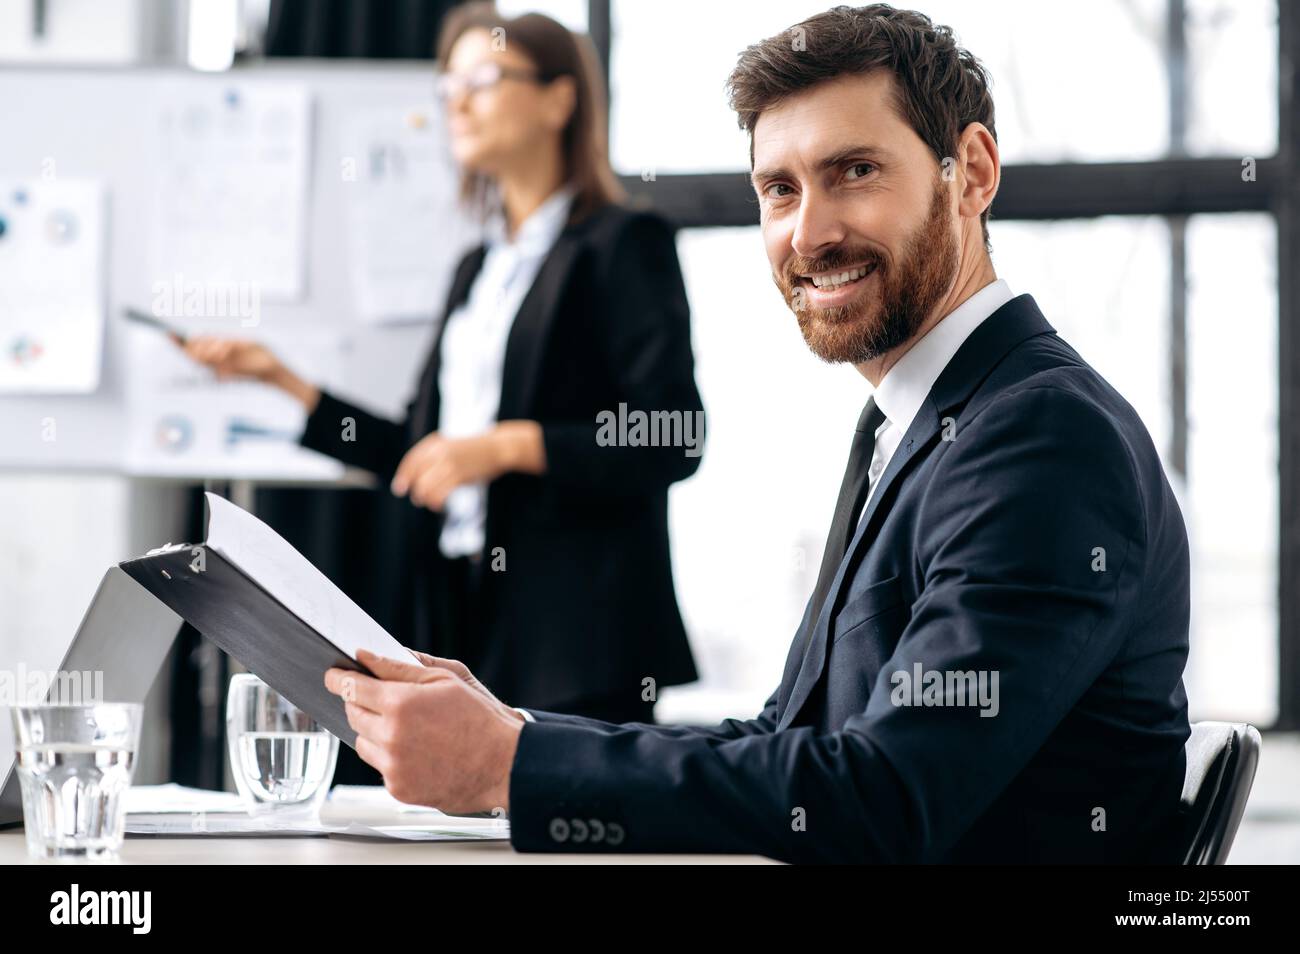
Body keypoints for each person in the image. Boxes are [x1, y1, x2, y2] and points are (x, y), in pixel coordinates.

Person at [322, 4, 1192, 864]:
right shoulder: (916, 422)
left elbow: (885, 796)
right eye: (779, 189)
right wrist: (514, 731)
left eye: (854, 171)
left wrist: (511, 766)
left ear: (970, 171)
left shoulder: (1041, 437)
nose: (808, 234)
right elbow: (787, 732)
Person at [182, 5, 704, 724]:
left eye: (484, 79)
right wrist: (282, 379)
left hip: (575, 634)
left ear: (560, 99)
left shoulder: (624, 244)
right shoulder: (476, 269)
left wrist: (508, 446)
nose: (456, 100)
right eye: (447, 86)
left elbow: (672, 434)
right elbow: (420, 452)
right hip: (459, 615)